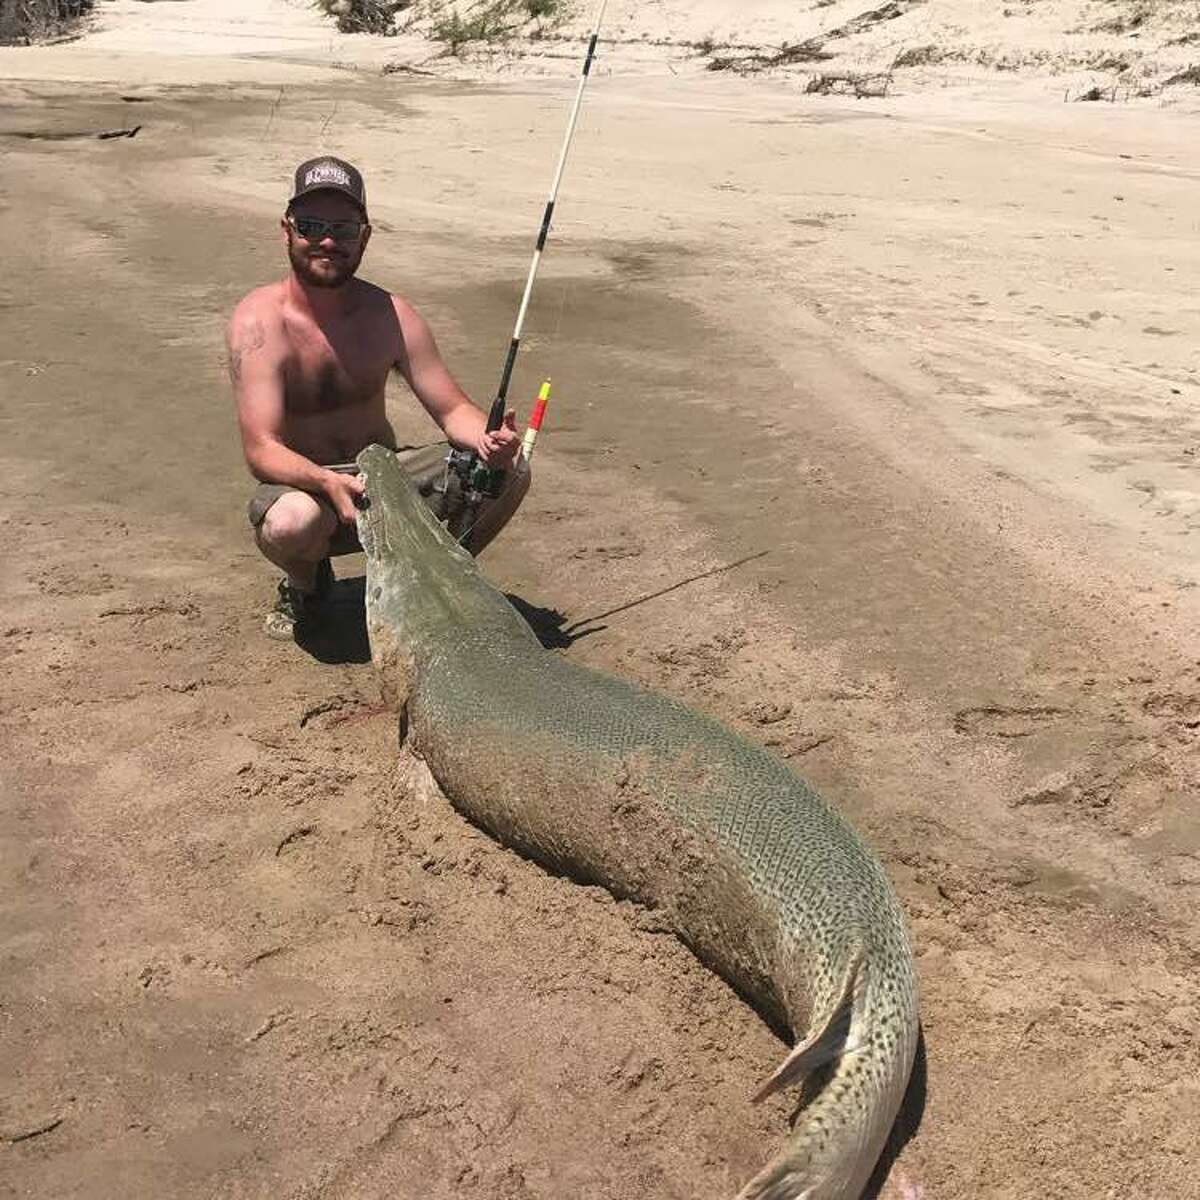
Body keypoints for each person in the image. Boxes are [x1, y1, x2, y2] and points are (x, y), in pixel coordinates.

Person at [226, 156, 528, 640]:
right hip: (306, 486)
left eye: (343, 229)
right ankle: (306, 588)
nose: (327, 241)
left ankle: (434, 579)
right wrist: (324, 481)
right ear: (287, 230)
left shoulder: (391, 314)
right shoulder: (257, 322)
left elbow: (452, 411)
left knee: (508, 472)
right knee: (289, 524)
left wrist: (492, 441)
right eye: (312, 226)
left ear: (364, 236)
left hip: (383, 478)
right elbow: (261, 448)